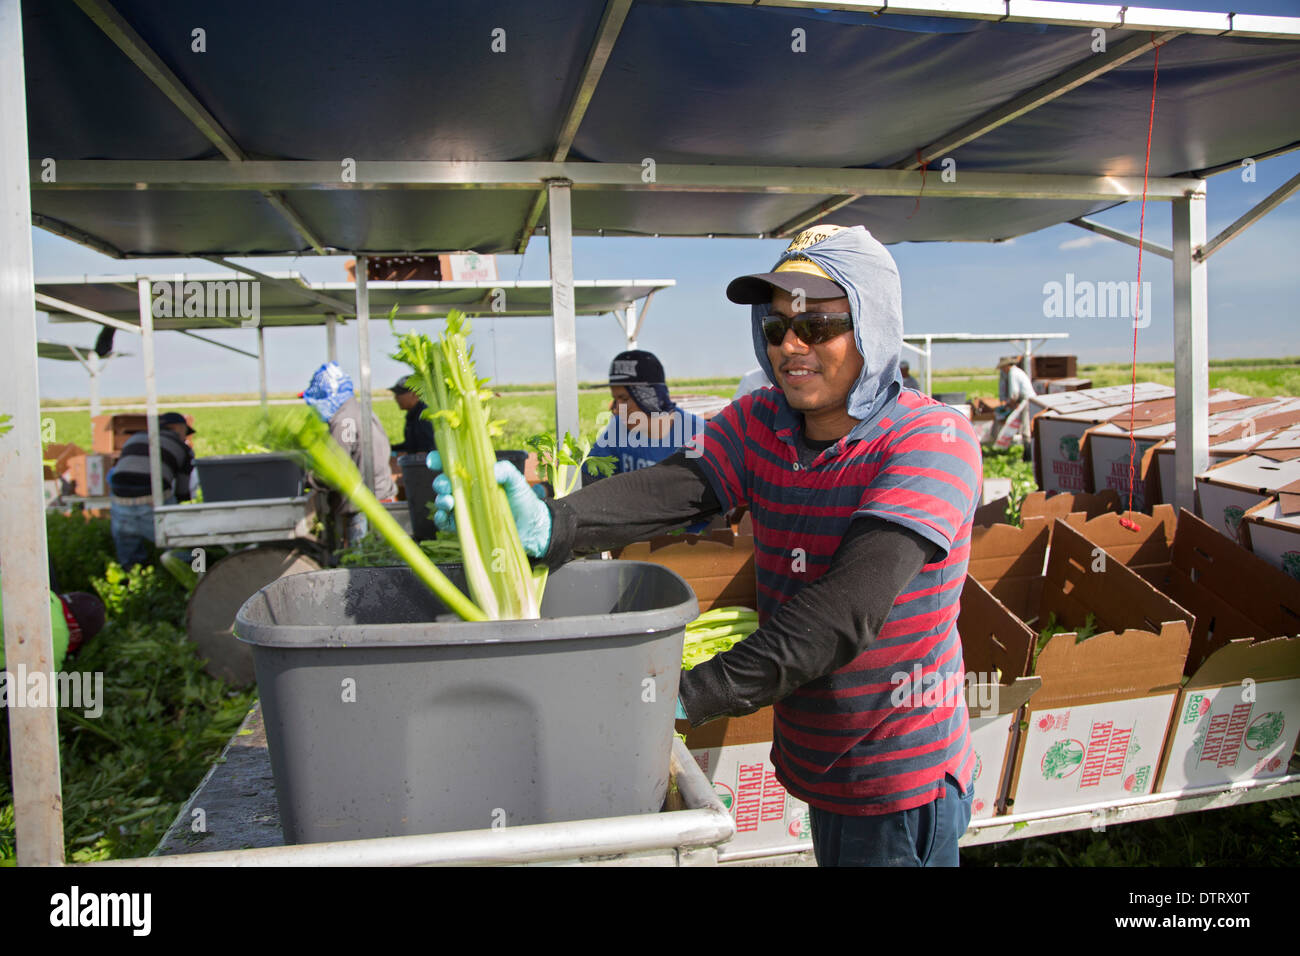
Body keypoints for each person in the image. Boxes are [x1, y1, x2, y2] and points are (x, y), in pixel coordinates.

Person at [434, 224, 982, 867]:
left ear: (873, 326)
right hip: (819, 754)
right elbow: (678, 488)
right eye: (776, 327)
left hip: (897, 771)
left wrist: (684, 696)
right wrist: (552, 526)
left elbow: (844, 614)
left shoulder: (931, 442)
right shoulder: (760, 422)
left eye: (818, 326)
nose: (791, 346)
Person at [302, 362, 397, 546]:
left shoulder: (343, 421)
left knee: (362, 567)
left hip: (364, 506)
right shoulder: (361, 411)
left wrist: (310, 479)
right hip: (382, 497)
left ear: (328, 396)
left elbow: (335, 471)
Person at [583, 350, 707, 485]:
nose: (616, 410)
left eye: (624, 399)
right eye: (615, 399)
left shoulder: (697, 434)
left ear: (649, 397)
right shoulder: (618, 427)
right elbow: (590, 474)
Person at [107, 412, 195, 569]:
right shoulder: (183, 447)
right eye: (185, 432)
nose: (185, 437)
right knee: (181, 547)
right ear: (177, 428)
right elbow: (183, 490)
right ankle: (192, 577)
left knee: (130, 561)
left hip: (119, 502)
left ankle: (133, 584)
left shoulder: (135, 438)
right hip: (152, 502)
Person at [995, 354, 1037, 452]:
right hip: (1025, 401)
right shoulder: (1016, 372)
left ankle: (1028, 453)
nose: (1003, 370)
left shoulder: (1012, 373)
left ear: (1006, 366)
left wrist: (1009, 406)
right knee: (1023, 428)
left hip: (1027, 401)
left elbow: (1014, 394)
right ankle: (1026, 451)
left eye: (1003, 368)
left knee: (1026, 429)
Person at [388, 376, 437, 455]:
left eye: (399, 393)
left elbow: (429, 450)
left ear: (414, 394)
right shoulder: (413, 414)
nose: (396, 397)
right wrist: (390, 448)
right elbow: (410, 445)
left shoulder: (424, 417)